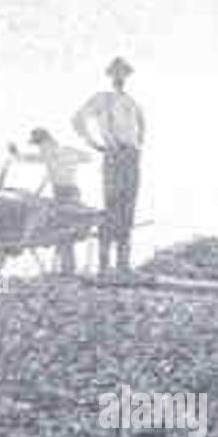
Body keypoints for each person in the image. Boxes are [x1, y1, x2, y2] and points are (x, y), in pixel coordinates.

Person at [72, 56, 145, 276]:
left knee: (128, 209)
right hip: (114, 156)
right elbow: (77, 119)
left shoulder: (132, 102)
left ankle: (123, 264)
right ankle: (104, 265)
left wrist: (137, 145)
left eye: (123, 74)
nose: (119, 77)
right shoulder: (102, 99)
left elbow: (142, 127)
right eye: (116, 74)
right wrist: (94, 143)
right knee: (112, 208)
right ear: (110, 76)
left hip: (131, 157)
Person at [9, 127, 91, 275]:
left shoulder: (52, 152)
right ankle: (66, 269)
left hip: (67, 193)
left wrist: (16, 154)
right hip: (64, 192)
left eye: (40, 144)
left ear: (47, 141)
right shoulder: (57, 151)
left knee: (64, 229)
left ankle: (67, 269)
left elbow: (86, 157)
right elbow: (87, 157)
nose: (39, 148)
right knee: (63, 230)